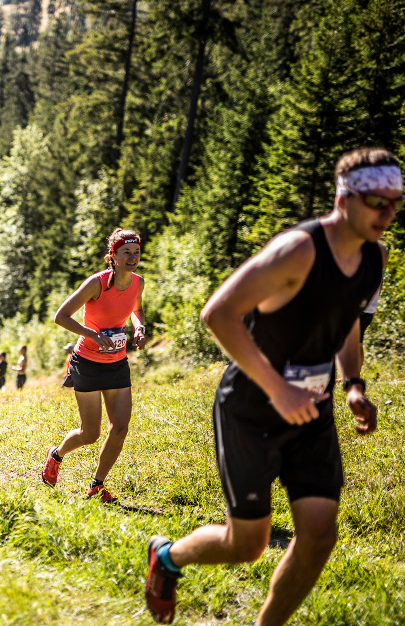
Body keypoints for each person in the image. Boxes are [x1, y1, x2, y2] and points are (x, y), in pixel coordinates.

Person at [144, 149, 391, 625]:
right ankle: (168, 557)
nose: (388, 213)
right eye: (377, 201)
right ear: (345, 198)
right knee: (247, 545)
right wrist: (278, 389)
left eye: (396, 203)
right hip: (253, 407)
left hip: (312, 410)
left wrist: (353, 384)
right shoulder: (298, 250)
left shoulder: (374, 258)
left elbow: (348, 327)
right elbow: (218, 313)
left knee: (319, 535)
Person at [41, 229, 147, 504]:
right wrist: (93, 335)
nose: (132, 258)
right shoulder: (96, 284)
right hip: (87, 362)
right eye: (126, 252)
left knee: (120, 428)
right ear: (113, 255)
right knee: (90, 433)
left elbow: (136, 309)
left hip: (117, 363)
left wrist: (140, 327)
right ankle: (56, 455)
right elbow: (60, 316)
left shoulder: (138, 283)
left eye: (136, 252)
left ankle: (96, 486)